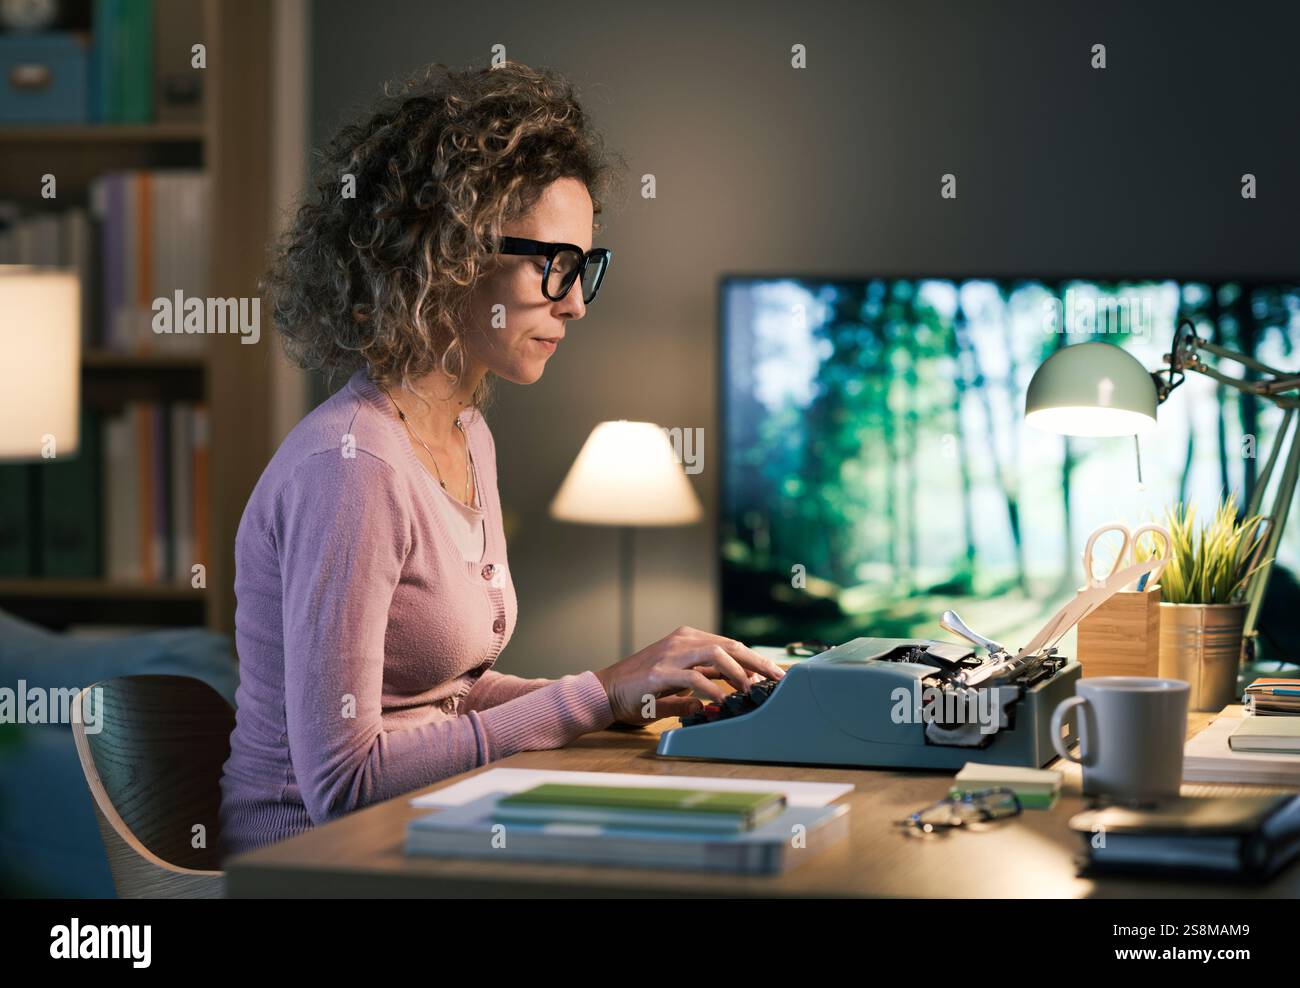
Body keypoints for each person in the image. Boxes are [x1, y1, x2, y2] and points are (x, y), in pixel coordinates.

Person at [217, 61, 783, 857]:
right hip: (315, 861)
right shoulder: (350, 469)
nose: (576, 301)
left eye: (585, 268)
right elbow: (341, 782)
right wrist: (591, 696)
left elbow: (451, 697)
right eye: (554, 264)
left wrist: (622, 692)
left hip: (427, 828)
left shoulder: (466, 432)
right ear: (447, 252)